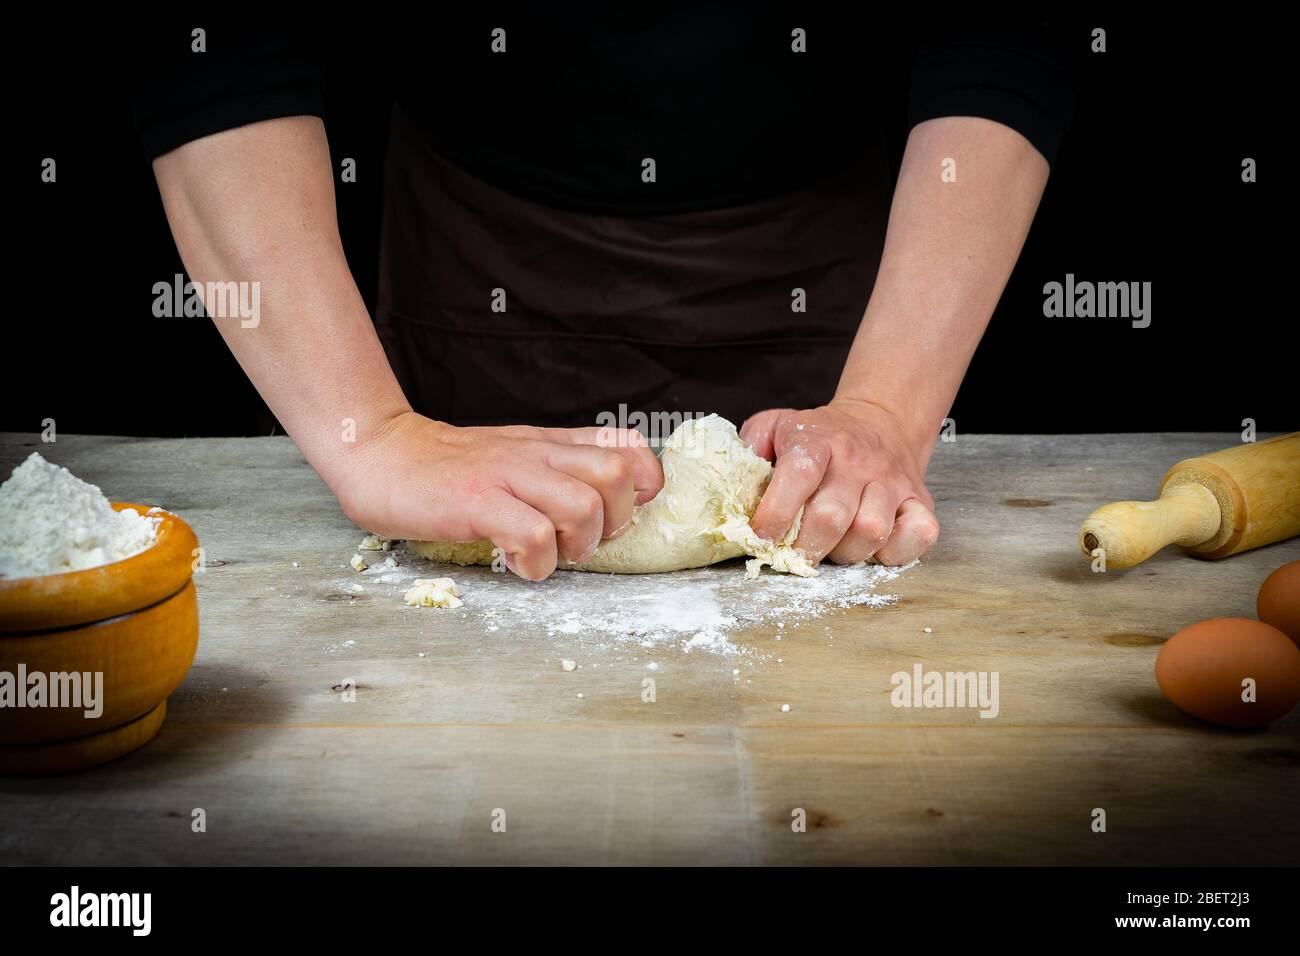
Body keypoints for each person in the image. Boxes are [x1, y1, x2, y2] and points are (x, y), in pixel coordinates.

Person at [132, 13, 1074, 581]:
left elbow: (1000, 34)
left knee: (811, 506)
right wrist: (370, 431)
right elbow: (215, 42)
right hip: (482, 252)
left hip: (818, 252)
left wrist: (886, 407)